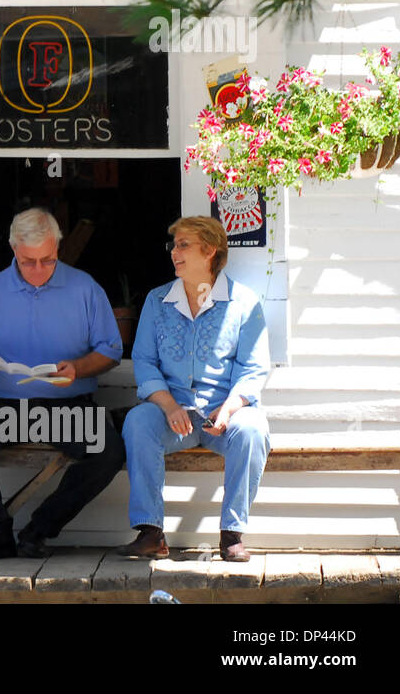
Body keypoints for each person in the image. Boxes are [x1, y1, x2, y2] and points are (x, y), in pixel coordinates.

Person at [0, 207, 126, 559]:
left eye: (48, 260)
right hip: (10, 409)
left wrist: (79, 368)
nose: (39, 269)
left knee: (109, 450)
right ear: (13, 250)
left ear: (57, 246)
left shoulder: (85, 288)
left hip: (67, 409)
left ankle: (38, 530)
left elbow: (111, 351)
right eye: (28, 262)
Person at [119, 216, 271, 562]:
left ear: (210, 250)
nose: (175, 252)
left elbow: (254, 368)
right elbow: (143, 361)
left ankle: (232, 534)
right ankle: (150, 533)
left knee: (253, 429)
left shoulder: (244, 302)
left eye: (184, 244)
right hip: (173, 414)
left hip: (225, 414)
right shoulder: (158, 302)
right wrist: (168, 405)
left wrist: (230, 408)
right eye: (174, 245)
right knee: (138, 422)